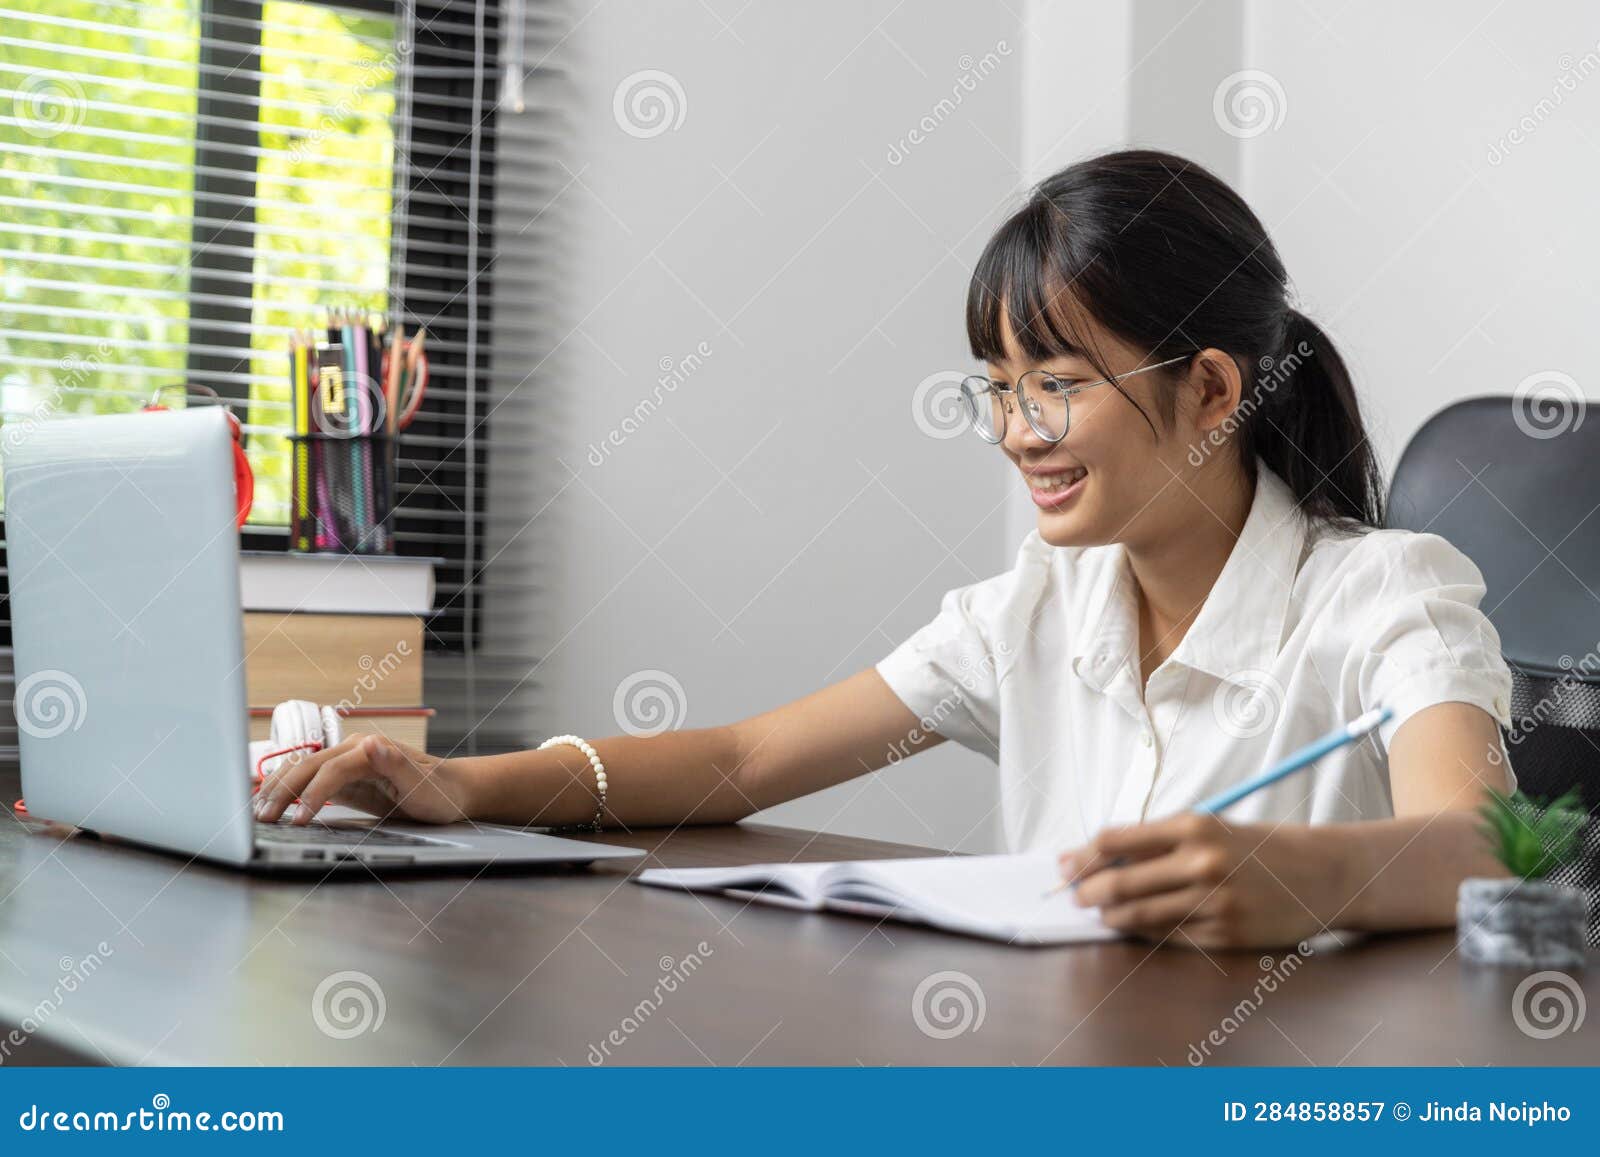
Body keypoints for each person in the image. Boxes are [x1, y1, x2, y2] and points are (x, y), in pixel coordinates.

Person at [256, 149, 1514, 949]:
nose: (1018, 433)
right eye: (996, 389)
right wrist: (461, 786)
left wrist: (1296, 877)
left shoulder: (1381, 591)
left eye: (1056, 383)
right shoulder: (1034, 606)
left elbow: (1481, 845)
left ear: (1210, 389)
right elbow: (745, 759)